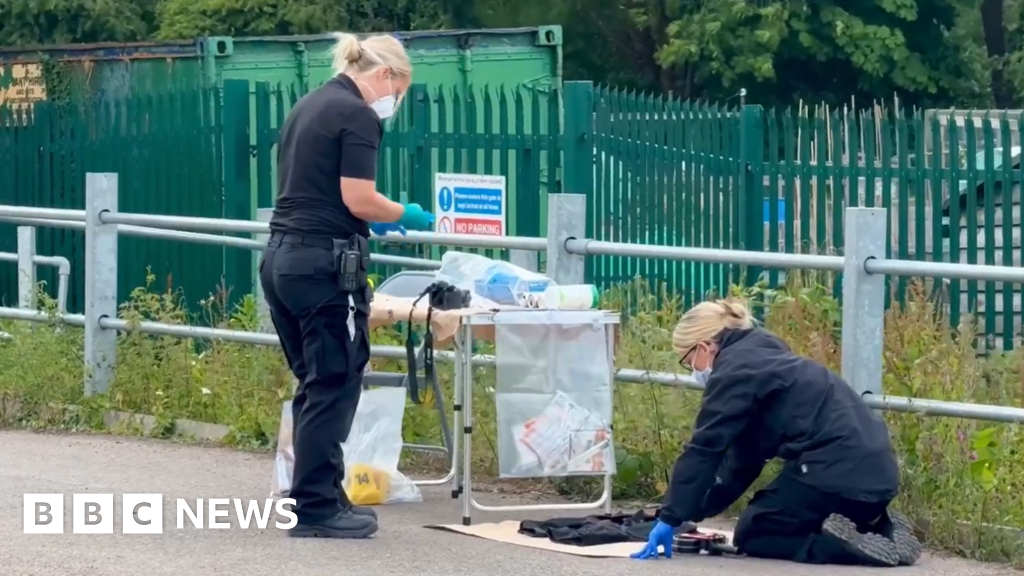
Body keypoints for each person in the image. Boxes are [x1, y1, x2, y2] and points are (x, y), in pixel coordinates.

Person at [259, 32, 434, 539]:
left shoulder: (310, 105)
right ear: (384, 76)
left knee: (316, 382)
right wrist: (405, 214)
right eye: (398, 89)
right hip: (324, 265)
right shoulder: (356, 113)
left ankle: (319, 492)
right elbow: (358, 198)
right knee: (335, 381)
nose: (394, 101)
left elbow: (311, 187)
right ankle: (315, 508)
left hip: (283, 259)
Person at [631, 299, 923, 566]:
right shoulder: (766, 357)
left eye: (687, 360)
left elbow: (705, 449)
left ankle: (843, 547)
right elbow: (742, 463)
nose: (691, 370)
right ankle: (879, 527)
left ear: (704, 348)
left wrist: (669, 518)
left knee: (757, 530)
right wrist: (687, 512)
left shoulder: (734, 372)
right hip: (876, 479)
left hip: (834, 474)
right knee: (783, 512)